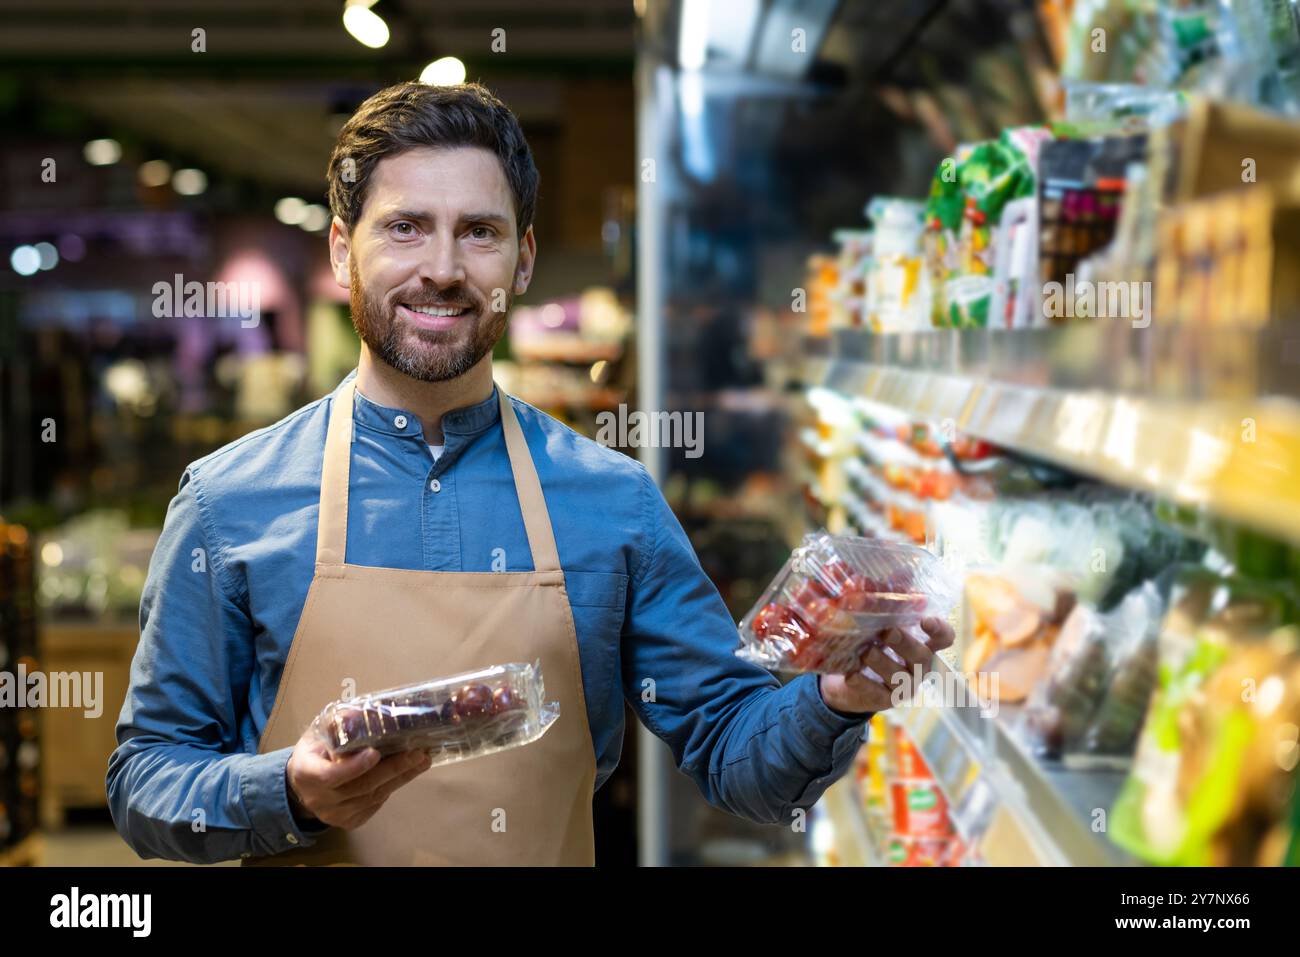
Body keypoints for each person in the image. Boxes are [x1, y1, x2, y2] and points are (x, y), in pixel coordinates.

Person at [106, 81, 954, 865]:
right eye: (405, 227)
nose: (442, 266)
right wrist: (286, 789)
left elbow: (740, 756)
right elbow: (144, 779)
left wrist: (834, 698)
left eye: (480, 231)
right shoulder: (228, 502)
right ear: (341, 251)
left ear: (522, 261)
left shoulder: (611, 501)